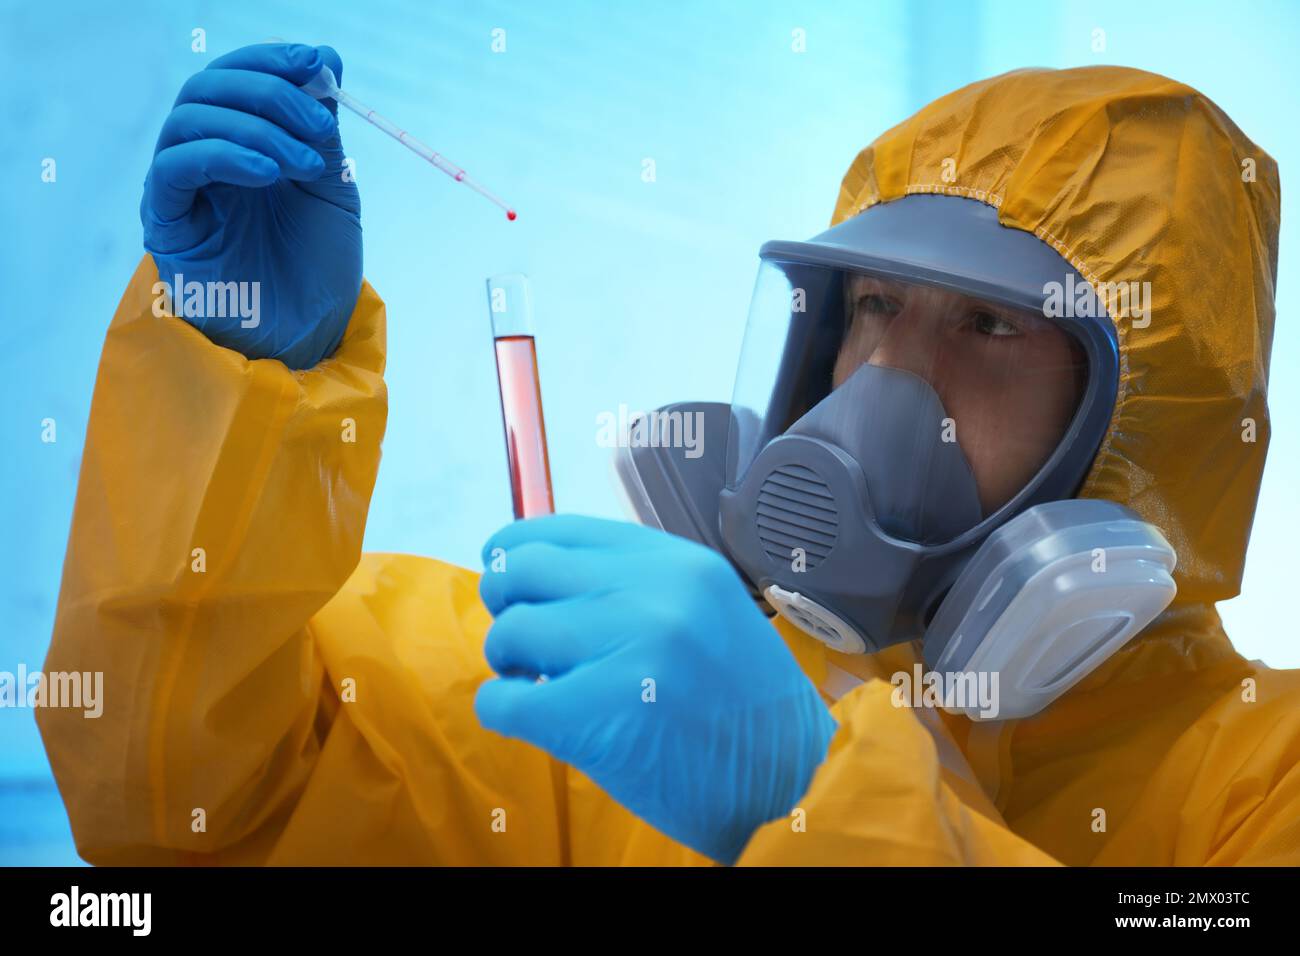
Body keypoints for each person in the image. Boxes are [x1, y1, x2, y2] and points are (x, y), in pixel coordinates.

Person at [38, 44, 1298, 866]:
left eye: (987, 327)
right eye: (870, 306)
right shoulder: (662, 687)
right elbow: (193, 814)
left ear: (1140, 433)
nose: (884, 385)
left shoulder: (1259, 781)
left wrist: (809, 805)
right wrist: (249, 365)